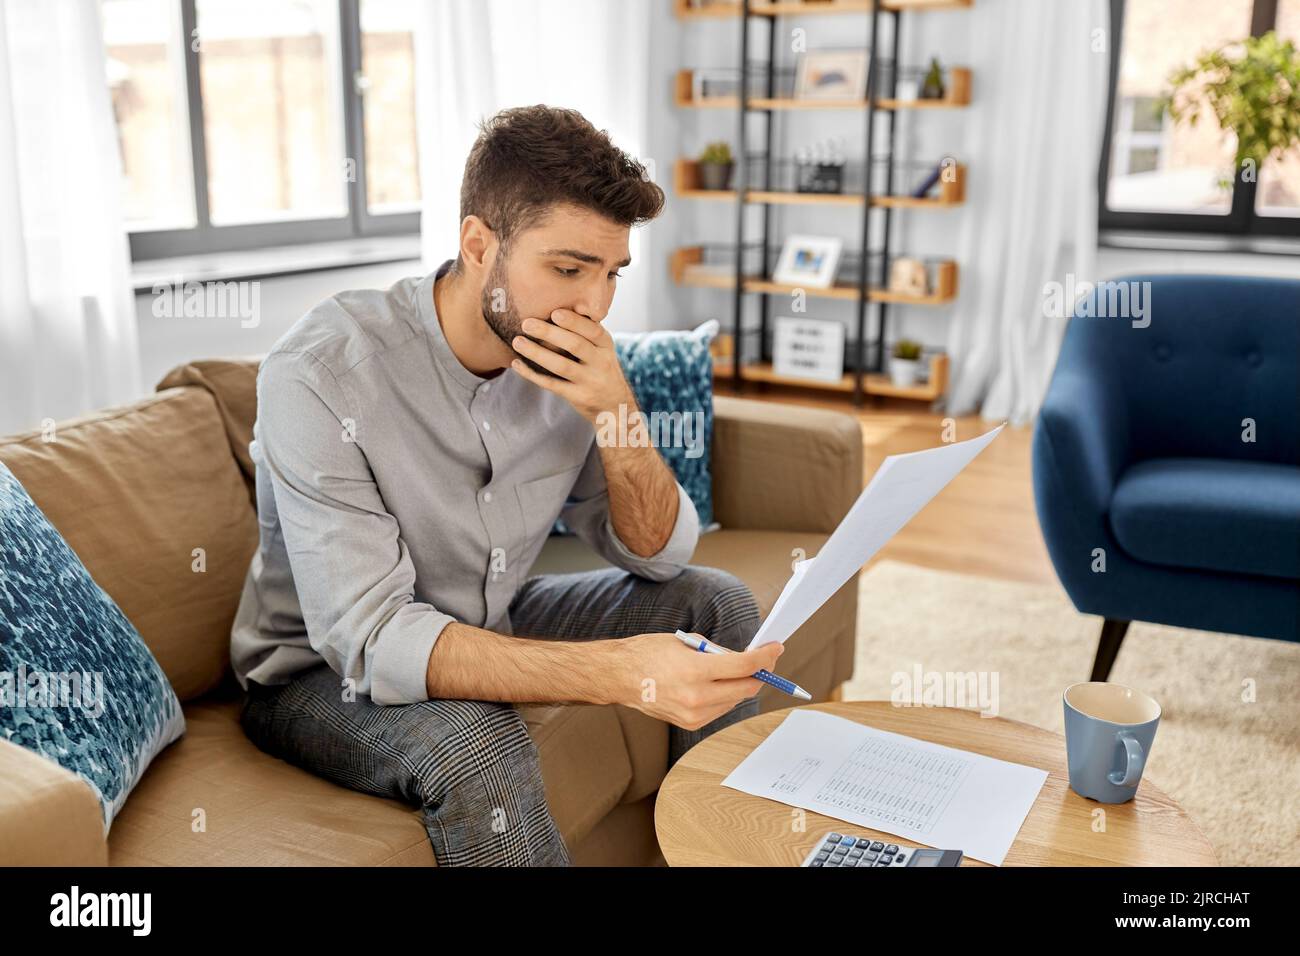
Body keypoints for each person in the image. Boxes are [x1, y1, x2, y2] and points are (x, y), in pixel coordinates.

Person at [230, 104, 782, 866]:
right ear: (477, 244)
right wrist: (620, 672)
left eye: (611, 273)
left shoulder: (571, 363)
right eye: (567, 268)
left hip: (494, 613)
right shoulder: (322, 374)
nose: (594, 304)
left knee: (714, 603)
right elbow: (373, 639)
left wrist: (617, 413)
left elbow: (657, 556)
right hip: (317, 676)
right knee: (475, 745)